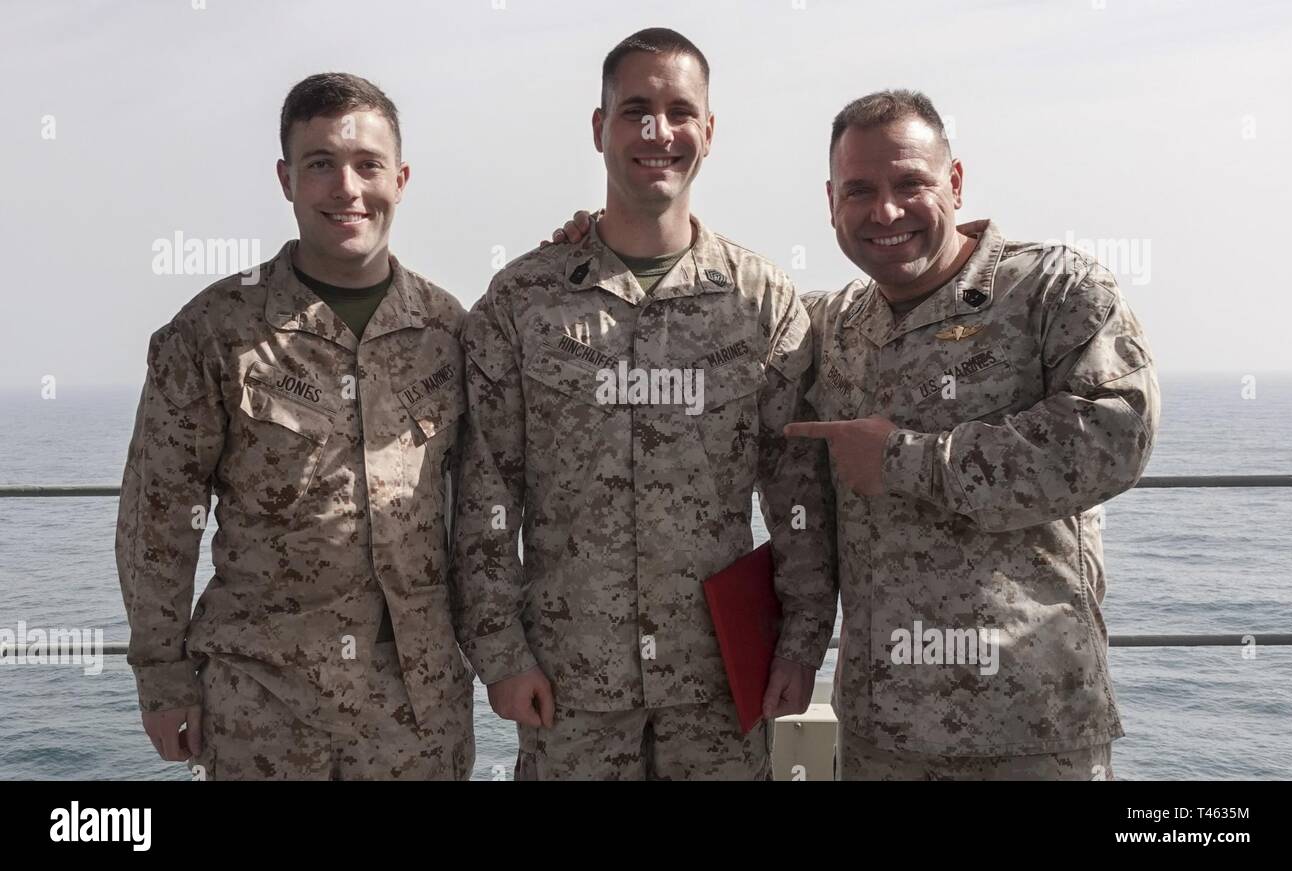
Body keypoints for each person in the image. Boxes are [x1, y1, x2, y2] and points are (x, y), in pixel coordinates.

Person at [452, 28, 837, 780]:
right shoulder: (523, 301)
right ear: (600, 129)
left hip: (722, 686)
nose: (658, 132)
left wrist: (800, 642)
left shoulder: (761, 301)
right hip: (570, 690)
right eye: (635, 111)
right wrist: (500, 652)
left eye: (678, 111)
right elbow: (485, 493)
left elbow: (797, 496)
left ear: (709, 132)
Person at [786, 90, 1160, 779]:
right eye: (860, 189)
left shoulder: (1052, 288)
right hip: (881, 734)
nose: (885, 211)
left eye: (910, 183)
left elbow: (1118, 432)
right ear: (831, 200)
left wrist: (907, 461)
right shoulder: (830, 324)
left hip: (1028, 729)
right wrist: (600, 239)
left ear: (954, 183)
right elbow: (713, 322)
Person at [115, 72, 474, 780]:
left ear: (400, 178)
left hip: (419, 717)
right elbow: (157, 517)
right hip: (266, 714)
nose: (347, 187)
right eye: (320, 164)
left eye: (368, 164)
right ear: (286, 179)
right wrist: (161, 675)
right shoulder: (213, 334)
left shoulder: (449, 330)